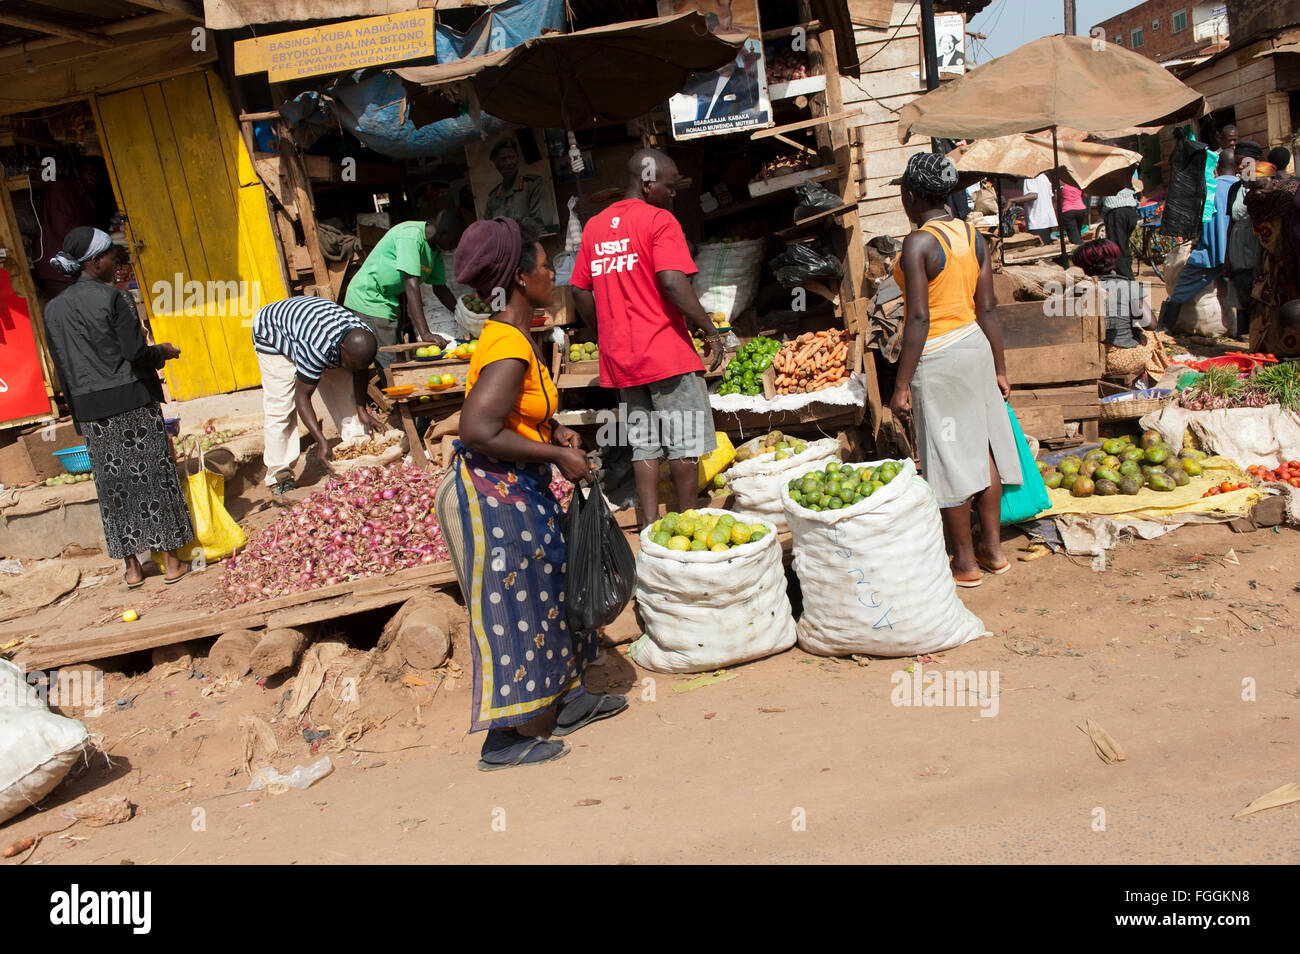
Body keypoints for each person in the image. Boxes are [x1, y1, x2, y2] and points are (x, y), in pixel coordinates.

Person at [434, 216, 624, 771]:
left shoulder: (518, 337)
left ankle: (567, 700)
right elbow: (477, 430)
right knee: (513, 609)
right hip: (493, 498)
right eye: (543, 264)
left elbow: (520, 413)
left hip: (519, 489)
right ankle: (504, 741)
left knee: (549, 594)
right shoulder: (507, 348)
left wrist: (556, 429)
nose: (551, 272)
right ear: (519, 277)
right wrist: (558, 455)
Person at [569, 149, 724, 529]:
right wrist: (710, 329)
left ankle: (651, 526)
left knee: (645, 444)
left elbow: (579, 291)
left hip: (623, 358)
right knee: (685, 443)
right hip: (666, 352)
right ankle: (689, 522)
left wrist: (605, 333)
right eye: (670, 187)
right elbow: (673, 281)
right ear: (648, 181)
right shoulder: (659, 221)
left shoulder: (595, 227)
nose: (673, 194)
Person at [888, 152, 1021, 588]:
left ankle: (964, 562)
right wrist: (999, 367)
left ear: (910, 195)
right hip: (975, 349)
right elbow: (987, 307)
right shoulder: (972, 235)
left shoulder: (918, 243)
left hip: (940, 357)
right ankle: (993, 551)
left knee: (946, 457)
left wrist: (901, 384)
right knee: (982, 451)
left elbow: (919, 320)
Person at [41, 227, 192, 588]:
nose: (115, 262)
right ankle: (171, 564)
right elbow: (136, 354)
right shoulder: (115, 299)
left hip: (91, 409)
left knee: (113, 487)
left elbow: (62, 367)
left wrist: (77, 414)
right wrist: (164, 353)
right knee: (154, 477)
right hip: (132, 400)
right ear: (95, 261)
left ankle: (133, 569)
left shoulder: (53, 309)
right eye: (111, 256)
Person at [252, 296, 384, 496]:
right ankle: (280, 476)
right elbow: (302, 398)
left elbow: (359, 371)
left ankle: (357, 458)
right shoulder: (315, 348)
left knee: (344, 396)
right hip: (272, 332)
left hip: (312, 324)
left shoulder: (362, 339)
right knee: (282, 407)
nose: (350, 368)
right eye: (348, 363)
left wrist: (361, 410)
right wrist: (321, 439)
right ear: (342, 350)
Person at [344, 213, 460, 371]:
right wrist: (425, 333)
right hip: (370, 296)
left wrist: (463, 315)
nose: (454, 246)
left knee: (388, 361)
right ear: (443, 233)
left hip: (388, 301)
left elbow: (440, 287)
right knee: (391, 365)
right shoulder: (411, 236)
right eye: (453, 241)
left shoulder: (435, 250)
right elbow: (411, 285)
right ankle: (393, 396)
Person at [1157, 152, 1237, 332]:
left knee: (1178, 292)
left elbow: (1194, 222)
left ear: (1217, 166)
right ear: (1238, 166)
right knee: (1240, 295)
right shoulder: (1242, 189)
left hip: (1209, 254)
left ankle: (1163, 329)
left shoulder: (1208, 189)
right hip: (1235, 255)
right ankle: (1241, 333)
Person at [1073, 239, 1168, 379]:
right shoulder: (1127, 286)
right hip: (1119, 361)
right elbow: (1150, 324)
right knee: (1153, 337)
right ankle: (1151, 380)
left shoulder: (1076, 290)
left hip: (1085, 360)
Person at [1225, 141, 1264, 341]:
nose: (1240, 167)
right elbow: (1230, 223)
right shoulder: (1234, 189)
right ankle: (1243, 331)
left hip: (1258, 243)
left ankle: (1259, 332)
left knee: (1258, 288)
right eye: (1238, 163)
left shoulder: (1265, 186)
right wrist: (1226, 257)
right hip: (1237, 244)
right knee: (1240, 286)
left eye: (1244, 162)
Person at [483, 138, 548, 231]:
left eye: (512, 157)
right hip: (502, 245)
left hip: (528, 244)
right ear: (496, 164)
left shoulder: (533, 185)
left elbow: (539, 223)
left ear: (517, 158)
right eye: (503, 159)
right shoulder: (493, 198)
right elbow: (487, 229)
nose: (509, 162)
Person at [1006, 171, 1057, 244]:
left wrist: (1011, 200)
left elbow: (1033, 195)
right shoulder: (1043, 177)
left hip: (1037, 222)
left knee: (1039, 250)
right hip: (1046, 221)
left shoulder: (1030, 177)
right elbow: (1043, 198)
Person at [1101, 186, 1139, 279]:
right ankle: (1126, 274)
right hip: (1130, 212)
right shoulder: (1123, 173)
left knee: (1118, 248)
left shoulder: (1104, 176)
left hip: (1117, 213)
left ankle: (1127, 278)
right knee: (1123, 246)